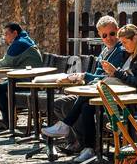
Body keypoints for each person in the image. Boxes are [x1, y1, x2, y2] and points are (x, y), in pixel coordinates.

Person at [71, 23, 137, 164]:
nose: (124, 47)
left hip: (136, 104)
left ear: (135, 38)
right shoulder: (134, 55)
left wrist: (116, 72)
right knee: (86, 106)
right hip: (126, 99)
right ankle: (91, 149)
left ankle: (69, 126)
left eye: (126, 43)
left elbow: (136, 82)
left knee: (93, 99)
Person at [41, 15, 127, 152]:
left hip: (107, 94)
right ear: (100, 35)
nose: (109, 38)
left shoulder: (119, 51)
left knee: (83, 106)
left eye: (112, 33)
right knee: (59, 104)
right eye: (104, 36)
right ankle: (74, 140)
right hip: (94, 90)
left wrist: (83, 76)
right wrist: (80, 78)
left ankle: (81, 142)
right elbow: (98, 77)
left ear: (117, 30)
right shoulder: (105, 51)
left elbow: (107, 77)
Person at [0, 22, 43, 126]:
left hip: (28, 80)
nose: (5, 37)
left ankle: (8, 121)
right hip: (31, 78)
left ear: (15, 33)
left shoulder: (19, 43)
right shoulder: (24, 40)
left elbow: (6, 62)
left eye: (6, 34)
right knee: (3, 86)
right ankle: (10, 118)